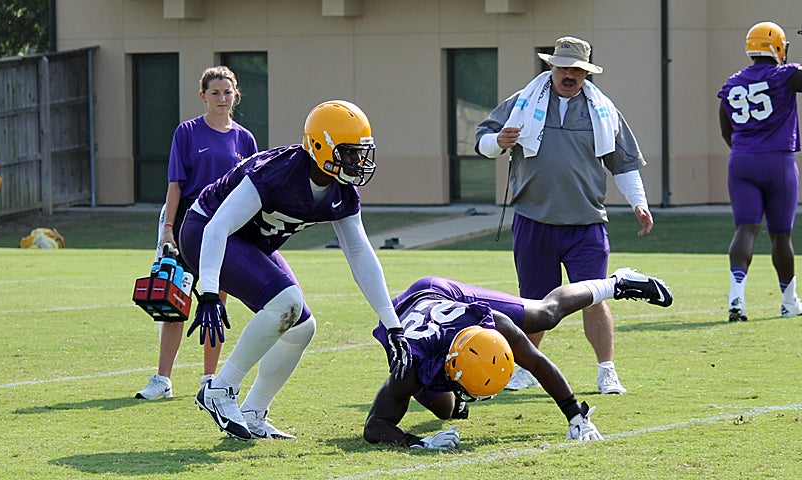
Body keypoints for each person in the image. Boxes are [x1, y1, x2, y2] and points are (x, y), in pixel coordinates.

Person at [181, 100, 412, 440]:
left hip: (249, 242)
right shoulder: (277, 172)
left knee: (302, 327)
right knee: (286, 303)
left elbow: (359, 252)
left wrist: (393, 325)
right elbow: (218, 227)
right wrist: (211, 293)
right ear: (319, 146)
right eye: (349, 153)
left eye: (360, 153)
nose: (357, 162)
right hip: (204, 231)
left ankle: (254, 410)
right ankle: (220, 388)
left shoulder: (341, 188)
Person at [475, 36, 653, 394]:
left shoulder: (602, 110)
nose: (568, 75)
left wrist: (639, 201)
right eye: (563, 67)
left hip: (585, 223)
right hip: (533, 220)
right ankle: (524, 370)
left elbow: (623, 162)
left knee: (595, 298)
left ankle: (607, 370)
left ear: (586, 73)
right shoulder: (523, 101)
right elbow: (483, 139)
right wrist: (499, 142)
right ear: (551, 68)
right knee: (533, 303)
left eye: (576, 69)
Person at [363, 268, 673, 449]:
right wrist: (419, 443)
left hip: (448, 299)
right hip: (411, 306)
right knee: (449, 411)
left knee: (545, 315)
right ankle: (454, 400)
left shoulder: (494, 324)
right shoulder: (412, 368)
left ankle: (616, 283)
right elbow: (375, 426)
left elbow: (536, 361)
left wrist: (576, 415)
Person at [136, 66, 259, 400]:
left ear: (236, 95)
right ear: (203, 96)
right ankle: (162, 380)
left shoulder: (245, 139)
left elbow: (252, 192)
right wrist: (167, 230)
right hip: (189, 226)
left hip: (228, 230)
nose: (222, 98)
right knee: (175, 302)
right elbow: (175, 185)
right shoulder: (187, 132)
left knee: (215, 302)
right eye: (215, 92)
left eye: (227, 91)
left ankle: (209, 379)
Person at [718, 19, 802, 322]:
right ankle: (788, 302)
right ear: (778, 47)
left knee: (745, 229)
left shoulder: (732, 83)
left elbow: (726, 130)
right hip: (777, 161)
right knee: (781, 236)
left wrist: (748, 149)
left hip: (741, 160)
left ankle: (736, 299)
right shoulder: (782, 76)